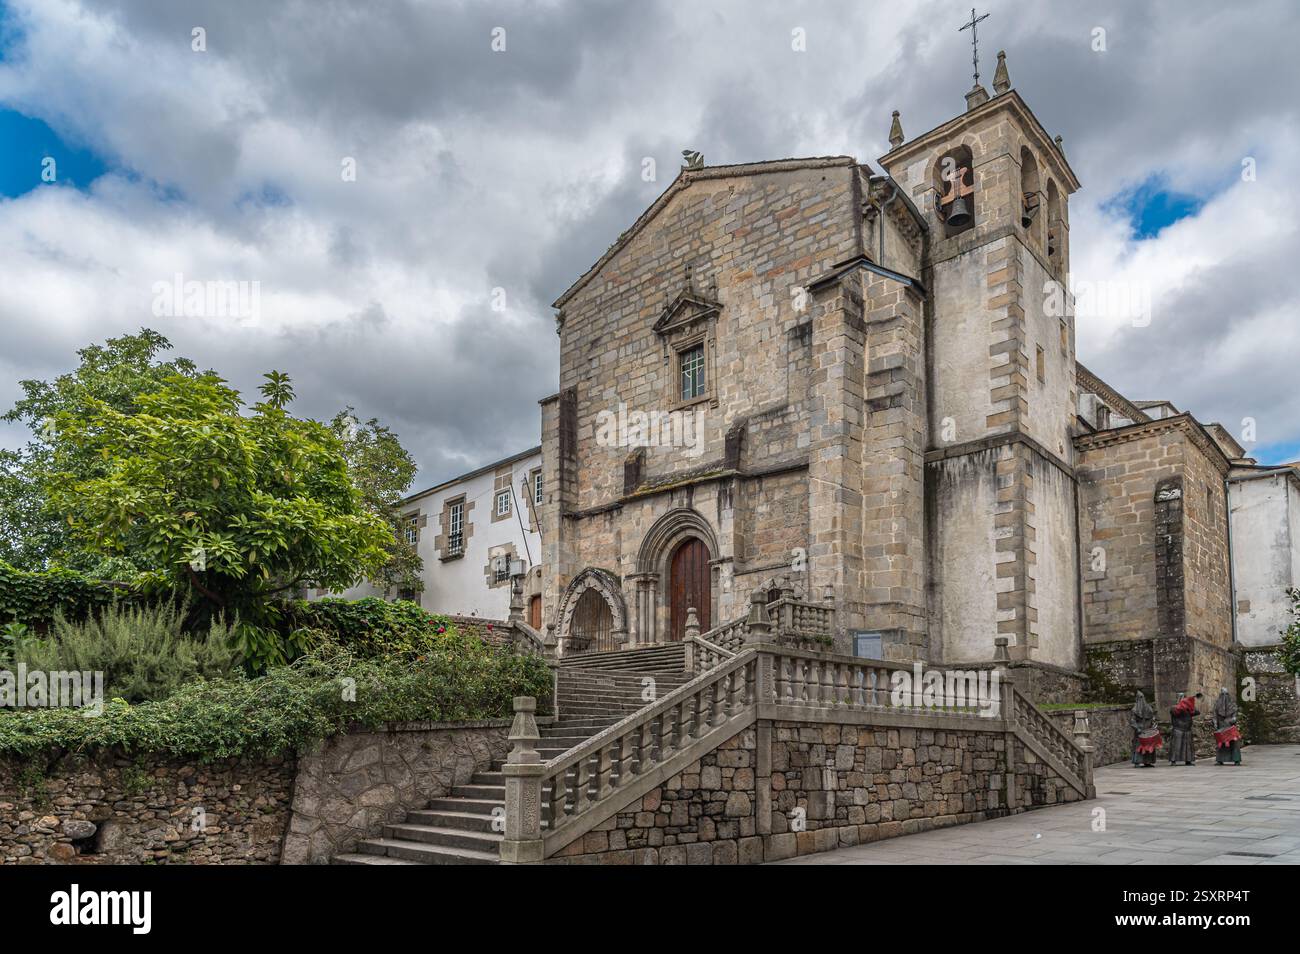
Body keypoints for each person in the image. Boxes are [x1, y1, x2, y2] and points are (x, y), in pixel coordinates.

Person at [1168, 691, 1201, 765]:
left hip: (1187, 729)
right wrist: (1182, 704)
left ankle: (1188, 760)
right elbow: (1176, 711)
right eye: (1182, 698)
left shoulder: (1188, 708)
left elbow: (1197, 712)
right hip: (1178, 729)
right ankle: (1173, 760)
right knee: (1176, 746)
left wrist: (1191, 704)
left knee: (1188, 747)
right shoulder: (1174, 708)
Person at [1212, 687, 1243, 766]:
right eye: (1223, 694)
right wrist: (1215, 723)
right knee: (1221, 744)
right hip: (1221, 726)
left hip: (1230, 727)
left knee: (1234, 743)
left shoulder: (1232, 705)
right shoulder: (1217, 704)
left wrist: (1233, 719)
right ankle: (1220, 760)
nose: (1224, 696)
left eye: (1226, 694)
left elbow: (1235, 716)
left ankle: (1236, 760)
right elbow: (1214, 716)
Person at [1130, 690, 1160, 767]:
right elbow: (1132, 721)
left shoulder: (1149, 708)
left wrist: (1153, 726)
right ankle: (1137, 762)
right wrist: (1137, 728)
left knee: (1148, 745)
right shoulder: (1135, 710)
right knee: (1138, 746)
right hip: (1139, 731)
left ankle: (1148, 762)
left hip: (1148, 729)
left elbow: (1153, 719)